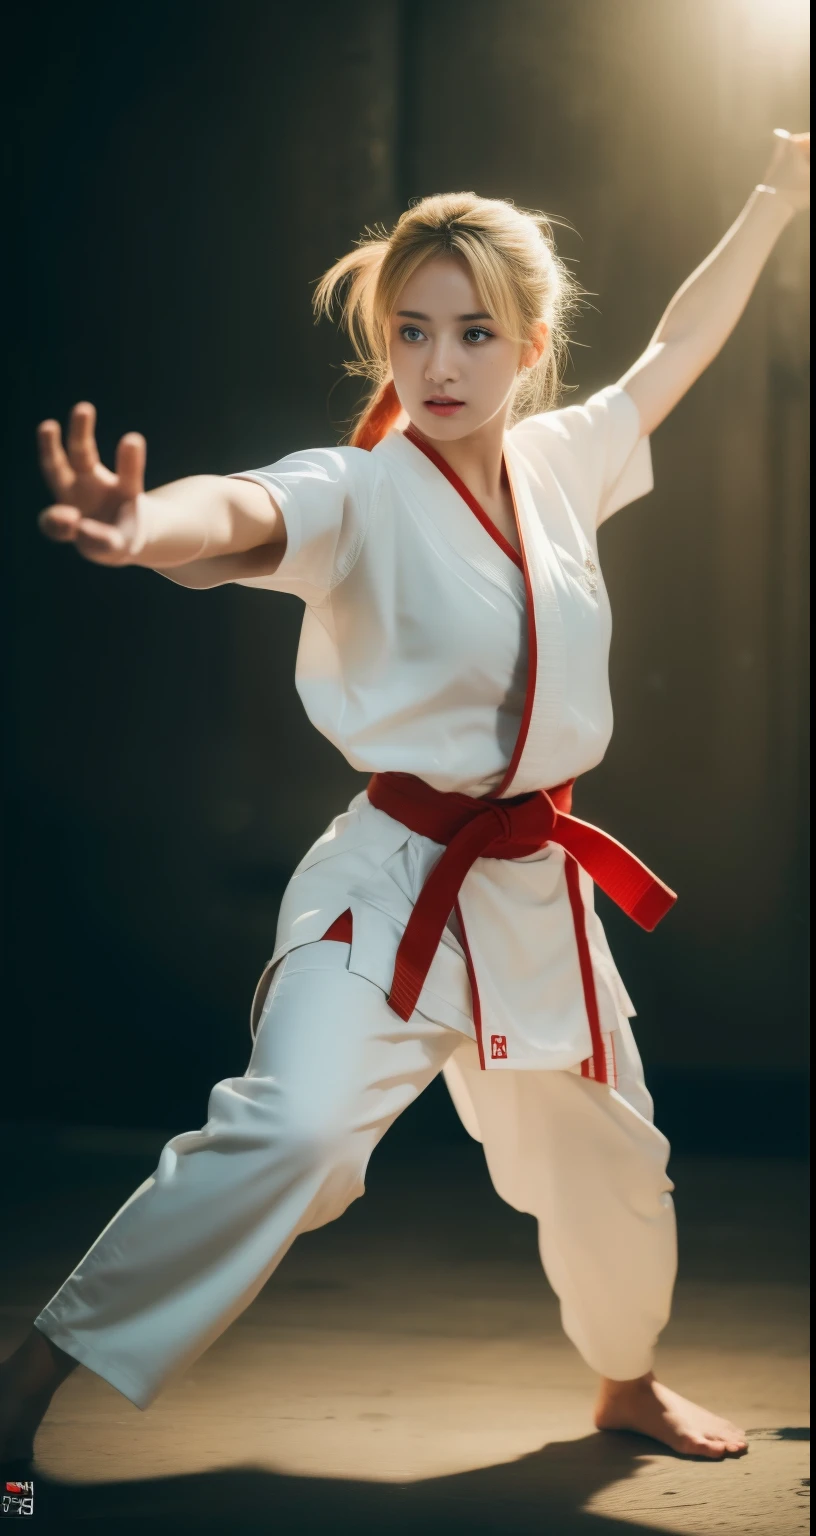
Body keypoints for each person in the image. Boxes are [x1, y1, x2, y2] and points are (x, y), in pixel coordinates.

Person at [1, 128, 808, 1468]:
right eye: (413, 330)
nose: (439, 364)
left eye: (476, 333)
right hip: (394, 885)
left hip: (538, 898)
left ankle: (626, 1381)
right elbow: (244, 512)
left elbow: (678, 348)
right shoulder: (359, 489)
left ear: (532, 345)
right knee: (296, 1135)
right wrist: (143, 531)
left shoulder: (565, 464)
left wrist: (780, 191)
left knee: (615, 1173)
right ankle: (26, 1381)